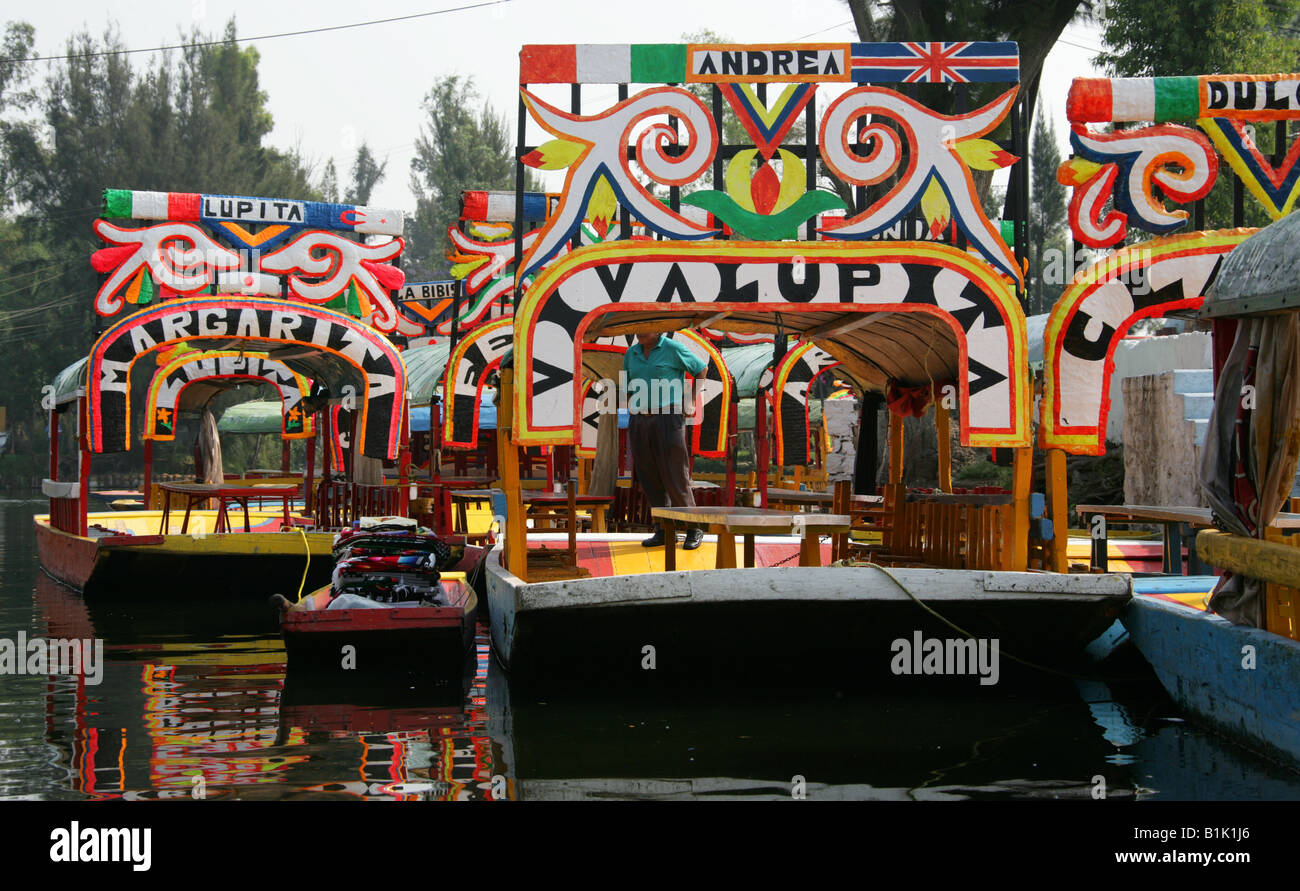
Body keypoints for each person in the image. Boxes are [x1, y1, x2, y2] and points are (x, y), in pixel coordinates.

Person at [623, 332, 707, 550]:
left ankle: (693, 527)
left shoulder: (672, 348)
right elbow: (627, 385)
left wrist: (691, 399)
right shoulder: (631, 353)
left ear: (658, 329)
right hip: (640, 419)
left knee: (675, 473)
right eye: (638, 328)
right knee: (648, 474)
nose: (641, 332)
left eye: (646, 327)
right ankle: (663, 528)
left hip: (669, 416)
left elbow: (701, 369)